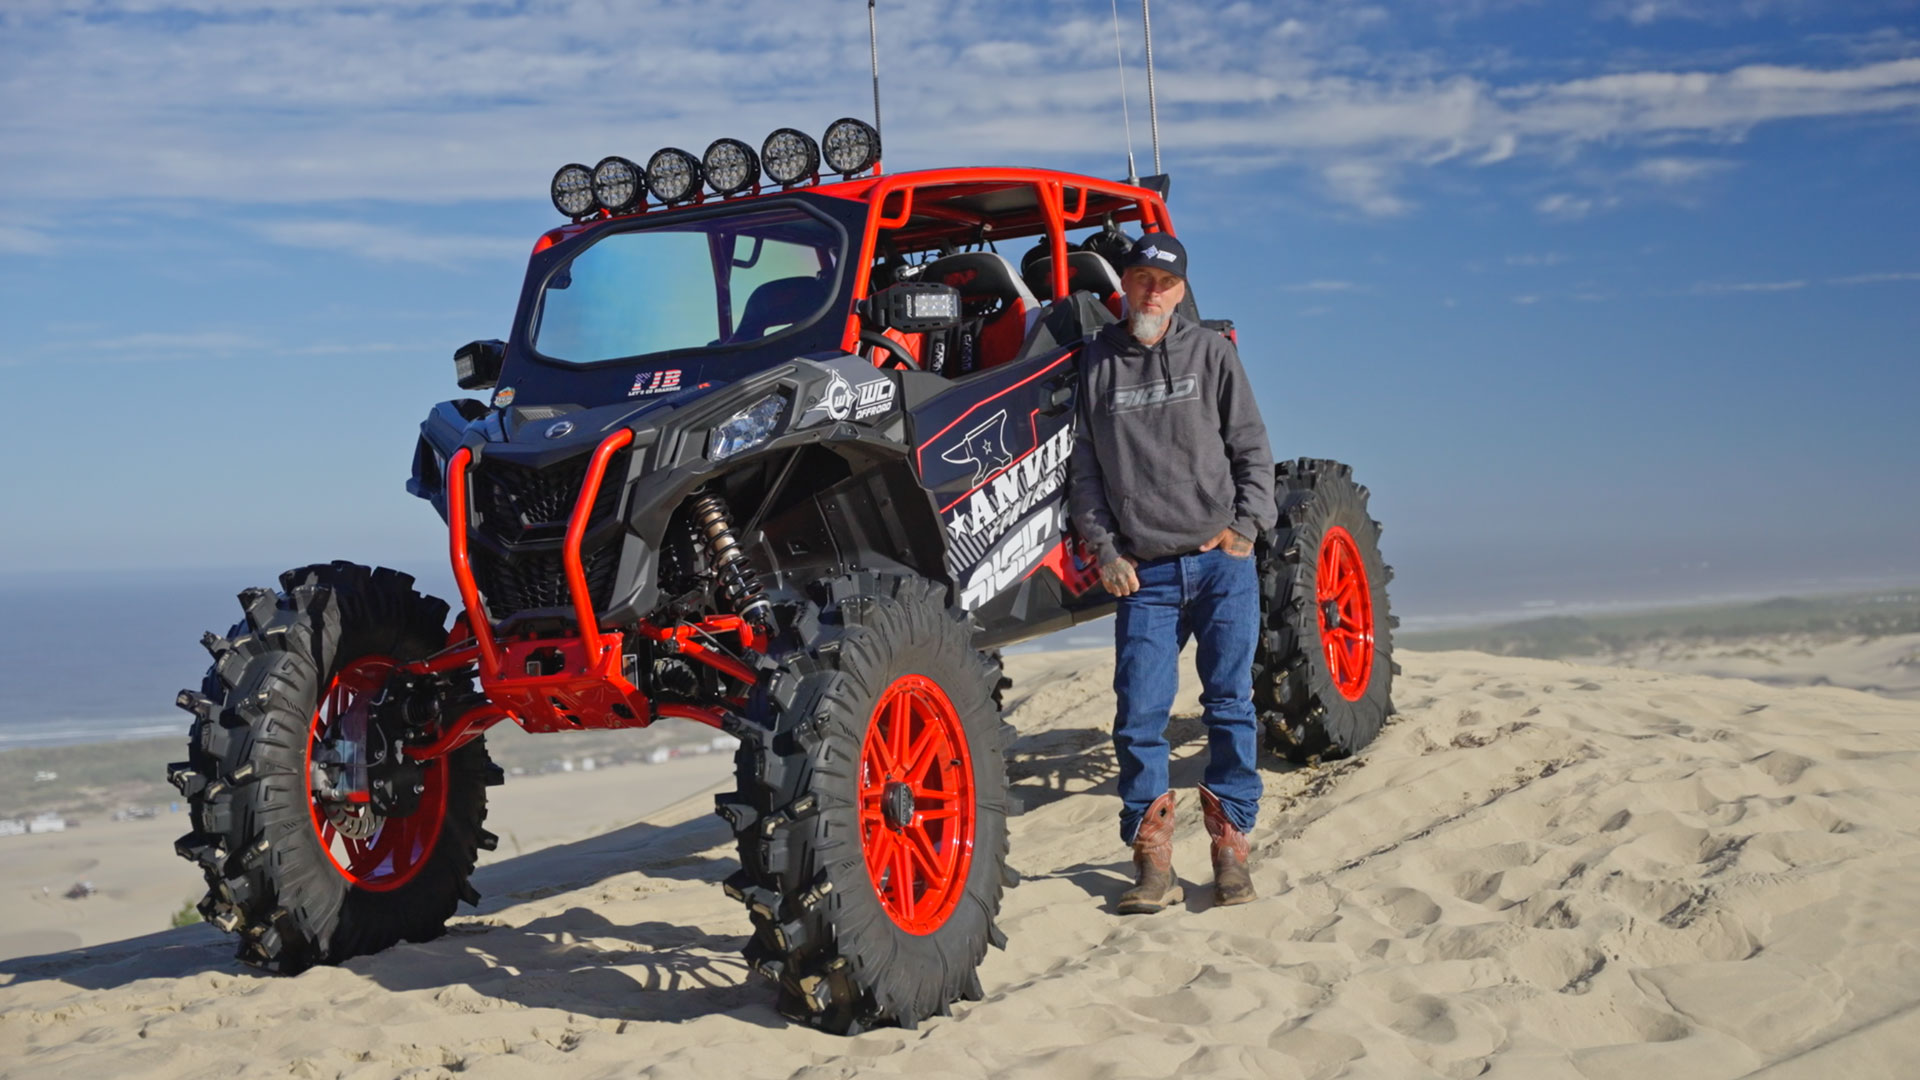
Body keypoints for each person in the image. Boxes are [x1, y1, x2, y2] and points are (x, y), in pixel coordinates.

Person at [1067, 232, 1277, 913]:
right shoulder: (1097, 364)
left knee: (1230, 705)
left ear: (1181, 291)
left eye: (1164, 283)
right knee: (1139, 716)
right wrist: (1105, 551)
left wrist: (1246, 529)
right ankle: (1152, 861)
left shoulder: (1212, 353)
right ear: (1124, 285)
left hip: (1221, 566)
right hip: (1146, 577)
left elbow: (1251, 447)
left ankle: (1230, 850)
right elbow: (1084, 472)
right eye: (1140, 279)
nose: (1151, 292)